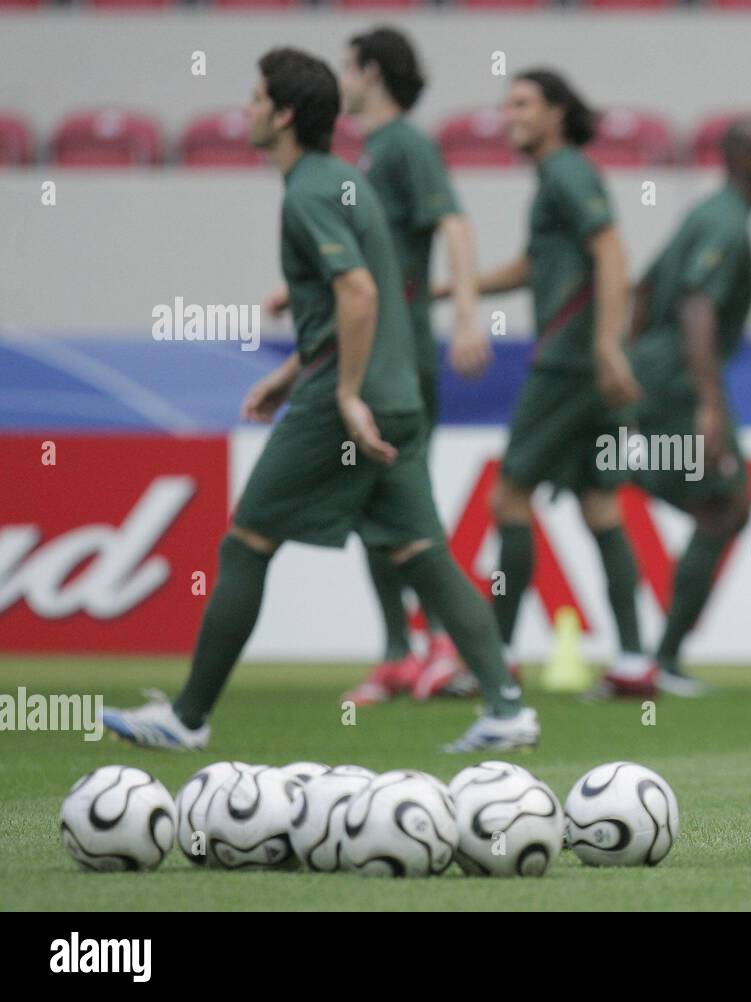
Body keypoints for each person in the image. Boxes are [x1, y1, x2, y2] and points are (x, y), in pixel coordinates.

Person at [103, 48, 536, 754]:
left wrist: (338, 392)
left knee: (245, 542)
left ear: (283, 114)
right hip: (397, 397)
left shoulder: (309, 189)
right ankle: (508, 708)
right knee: (425, 553)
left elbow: (359, 294)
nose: (243, 109)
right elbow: (355, 296)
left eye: (254, 97)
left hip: (350, 402)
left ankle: (186, 718)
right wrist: (294, 371)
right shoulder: (342, 180)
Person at [445, 69, 649, 689]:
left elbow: (612, 253)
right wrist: (454, 289)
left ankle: (496, 660)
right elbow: (534, 267)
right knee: (601, 506)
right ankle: (636, 663)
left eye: (523, 104)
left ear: (558, 110)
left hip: (568, 365)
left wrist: (607, 344)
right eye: (505, 104)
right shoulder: (555, 179)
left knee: (508, 497)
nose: (509, 115)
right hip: (588, 366)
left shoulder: (567, 172)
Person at [325, 25, 489, 706]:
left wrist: (468, 313)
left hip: (402, 359)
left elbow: (453, 223)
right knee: (372, 498)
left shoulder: (408, 145)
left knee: (404, 499)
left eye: (348, 67)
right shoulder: (373, 150)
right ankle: (400, 650)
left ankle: (448, 648)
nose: (341, 80)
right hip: (372, 352)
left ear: (373, 72)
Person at [620, 119, 751, 698]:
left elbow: (644, 286)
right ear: (742, 159)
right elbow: (696, 307)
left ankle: (662, 657)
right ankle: (661, 659)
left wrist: (624, 360)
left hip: (659, 371)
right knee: (726, 506)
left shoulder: (711, 214)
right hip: (677, 379)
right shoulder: (724, 222)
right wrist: (709, 404)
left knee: (724, 507)